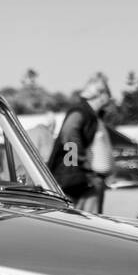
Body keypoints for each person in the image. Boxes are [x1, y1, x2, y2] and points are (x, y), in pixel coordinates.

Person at [47, 74, 112, 212]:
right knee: (84, 225)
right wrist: (78, 165)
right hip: (77, 184)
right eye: (108, 92)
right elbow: (68, 134)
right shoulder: (81, 112)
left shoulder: (92, 115)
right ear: (100, 94)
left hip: (86, 182)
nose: (110, 96)